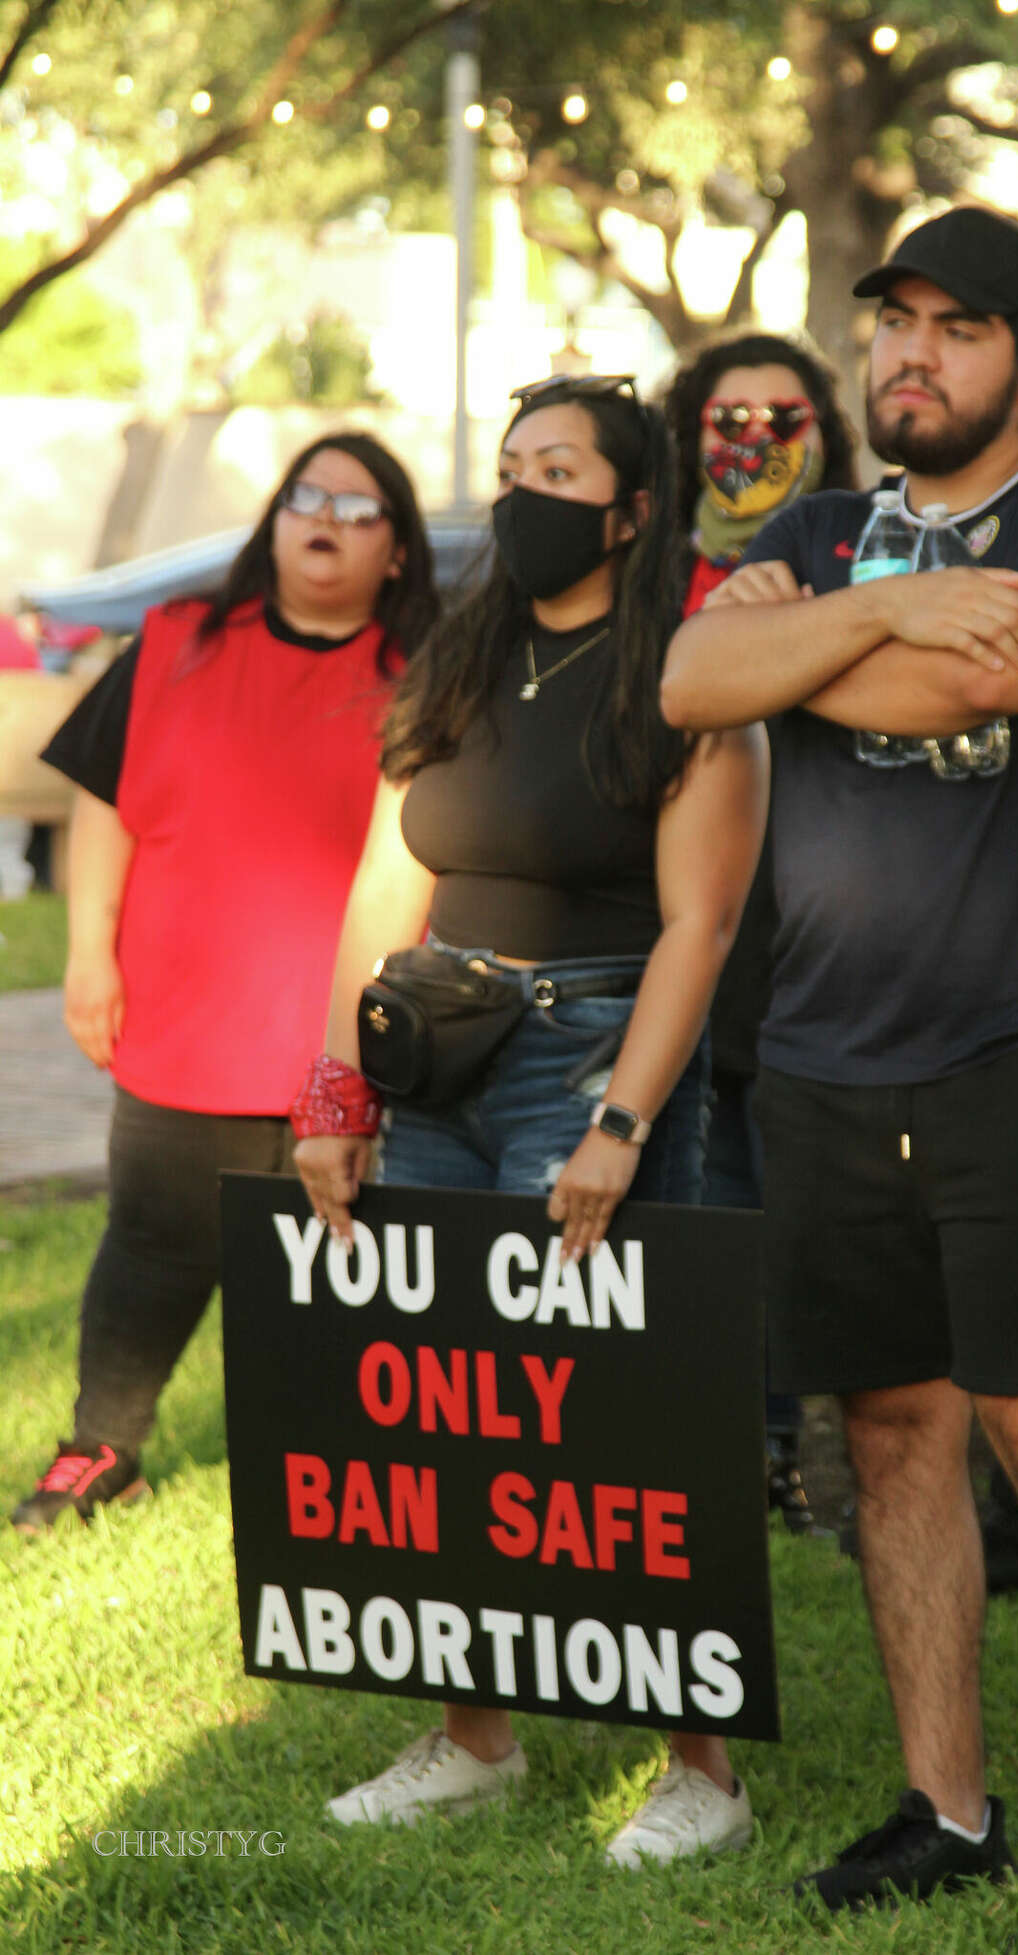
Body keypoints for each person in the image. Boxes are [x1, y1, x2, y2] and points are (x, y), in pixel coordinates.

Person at [662, 206, 1018, 1953]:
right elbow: (691, 677)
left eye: (958, 329)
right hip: (824, 1051)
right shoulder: (819, 524)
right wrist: (882, 605)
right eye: (892, 320)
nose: (911, 353)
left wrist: (812, 642)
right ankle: (946, 1809)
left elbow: (990, 672)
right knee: (893, 1435)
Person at [293, 373, 768, 1867]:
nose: (521, 492)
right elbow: (386, 874)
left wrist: (623, 1122)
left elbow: (701, 922)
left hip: (589, 1055)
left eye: (558, 466)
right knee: (440, 1403)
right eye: (508, 465)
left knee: (621, 1414)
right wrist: (334, 1084)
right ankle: (473, 1736)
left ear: (631, 508)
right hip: (429, 1044)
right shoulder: (462, 654)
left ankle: (702, 1766)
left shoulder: (690, 678)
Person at [11, 434, 437, 1533]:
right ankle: (102, 1447)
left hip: (338, 1021)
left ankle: (336, 1466)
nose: (327, 518)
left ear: (397, 550)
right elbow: (102, 797)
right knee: (150, 1235)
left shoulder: (425, 673)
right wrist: (87, 953)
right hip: (182, 1008)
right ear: (275, 516)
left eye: (359, 505)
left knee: (333, 1256)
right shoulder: (175, 639)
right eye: (309, 495)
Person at [662, 332, 858, 1530]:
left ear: (827, 430)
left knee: (796, 1208)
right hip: (685, 941)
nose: (755, 447)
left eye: (782, 421)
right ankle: (742, 1443)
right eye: (728, 423)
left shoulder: (862, 559)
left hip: (825, 937)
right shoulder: (655, 577)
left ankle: (790, 1445)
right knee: (713, 1199)